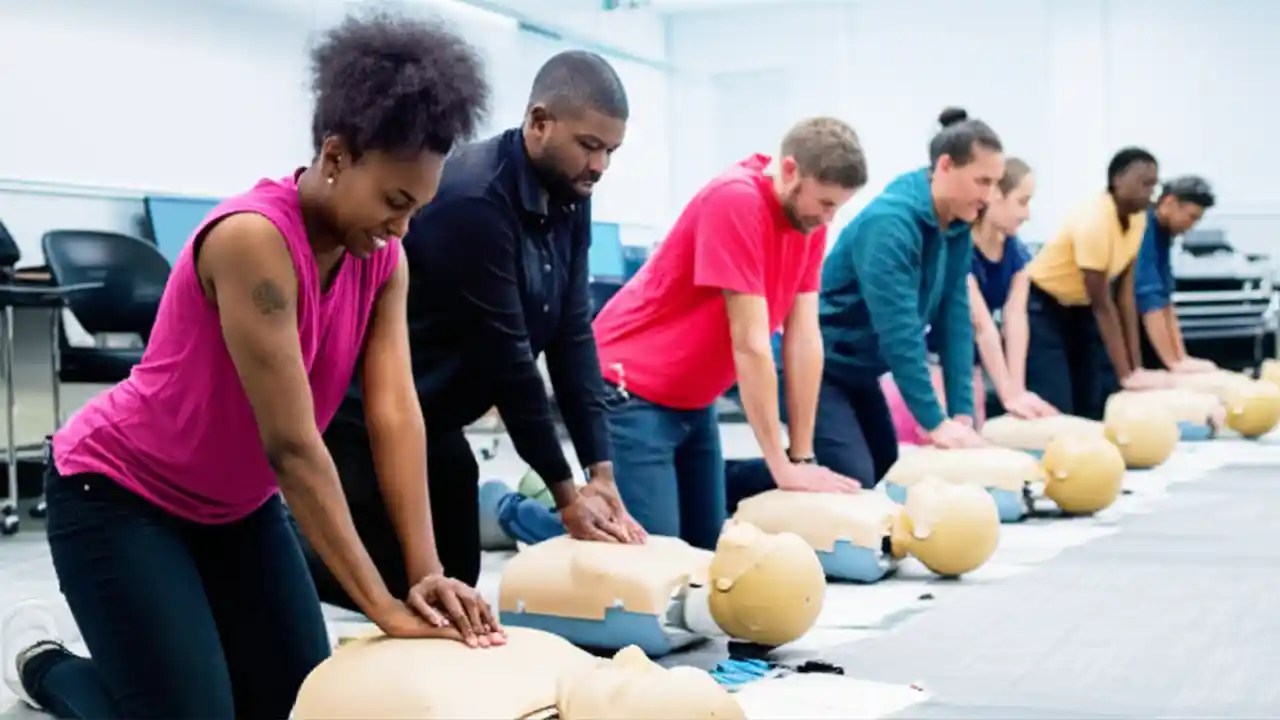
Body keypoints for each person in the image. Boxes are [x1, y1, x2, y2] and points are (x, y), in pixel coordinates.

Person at [1, 12, 500, 719]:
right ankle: (44, 665)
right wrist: (383, 606)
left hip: (236, 508)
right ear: (335, 156)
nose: (402, 226)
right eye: (393, 201)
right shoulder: (253, 241)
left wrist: (424, 573)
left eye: (417, 208)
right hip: (118, 494)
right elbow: (294, 447)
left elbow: (395, 414)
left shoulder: (385, 259)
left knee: (296, 705)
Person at [303, 49, 647, 615]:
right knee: (386, 590)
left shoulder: (570, 195)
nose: (599, 165)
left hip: (435, 423)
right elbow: (507, 360)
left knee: (454, 584)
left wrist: (599, 472)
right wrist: (566, 495)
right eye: (589, 145)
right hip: (363, 423)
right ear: (539, 123)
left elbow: (570, 332)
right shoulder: (473, 199)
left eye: (611, 151)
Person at [586, 117, 867, 549]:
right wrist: (780, 466)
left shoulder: (809, 221)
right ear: (791, 171)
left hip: (693, 398)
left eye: (837, 207)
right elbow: (752, 344)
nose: (828, 217)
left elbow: (804, 337)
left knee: (703, 552)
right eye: (825, 202)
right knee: (651, 553)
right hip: (629, 387)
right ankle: (514, 511)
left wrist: (802, 456)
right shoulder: (736, 201)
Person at [814, 107, 1000, 490]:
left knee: (884, 465)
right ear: (945, 166)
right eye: (982, 181)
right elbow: (900, 335)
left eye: (995, 183)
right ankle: (743, 482)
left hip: (861, 371)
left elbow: (954, 319)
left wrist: (962, 413)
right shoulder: (891, 224)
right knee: (854, 479)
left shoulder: (957, 226)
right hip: (817, 367)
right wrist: (935, 422)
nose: (989, 196)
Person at [881, 156, 1058, 445]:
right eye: (1022, 202)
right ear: (996, 197)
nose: (1027, 214)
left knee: (973, 439)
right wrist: (1007, 393)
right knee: (937, 441)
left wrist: (1017, 389)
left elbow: (1015, 321)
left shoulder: (1018, 254)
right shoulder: (961, 248)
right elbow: (981, 324)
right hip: (934, 363)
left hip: (970, 366)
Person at [1023, 147, 1171, 419]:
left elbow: (1126, 296)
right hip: (1043, 306)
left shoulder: (1138, 219)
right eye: (1144, 182)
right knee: (1057, 399)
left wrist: (1135, 368)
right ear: (1117, 180)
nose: (1151, 191)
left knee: (1092, 398)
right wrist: (1126, 374)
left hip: (1081, 307)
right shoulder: (1094, 220)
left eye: (1154, 183)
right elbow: (1103, 303)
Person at [1134, 175, 1218, 372]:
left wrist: (1181, 358)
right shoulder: (1143, 227)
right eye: (1191, 217)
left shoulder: (1164, 234)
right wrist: (1173, 364)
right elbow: (1149, 299)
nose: (1192, 226)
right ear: (1169, 202)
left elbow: (1165, 302)